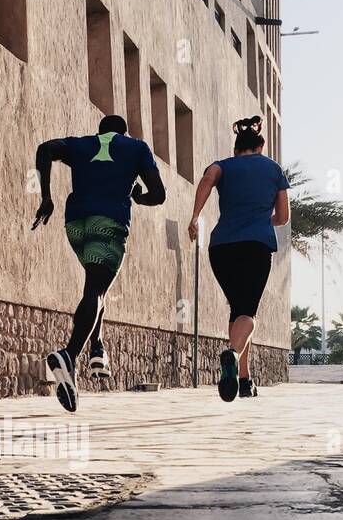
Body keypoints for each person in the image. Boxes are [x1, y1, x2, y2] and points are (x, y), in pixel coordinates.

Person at [32, 115, 166, 413]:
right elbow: (159, 194)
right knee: (96, 289)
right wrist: (138, 197)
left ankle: (96, 347)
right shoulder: (136, 148)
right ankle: (70, 355)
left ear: (101, 131)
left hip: (76, 225)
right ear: (123, 132)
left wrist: (46, 197)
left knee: (95, 285)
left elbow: (44, 149)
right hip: (109, 223)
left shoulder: (81, 144)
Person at [188, 117, 290, 402]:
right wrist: (260, 219)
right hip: (255, 246)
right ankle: (232, 355)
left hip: (221, 248)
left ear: (236, 149)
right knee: (248, 314)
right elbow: (282, 218)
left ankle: (243, 379)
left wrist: (195, 216)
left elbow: (208, 179)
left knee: (237, 311)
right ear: (260, 146)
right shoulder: (273, 169)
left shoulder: (223, 165)